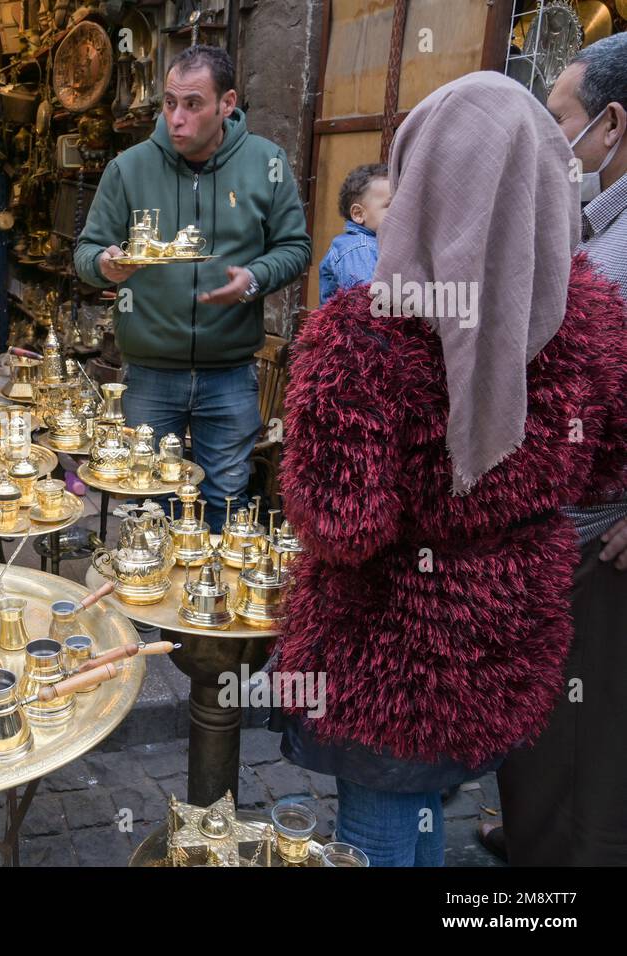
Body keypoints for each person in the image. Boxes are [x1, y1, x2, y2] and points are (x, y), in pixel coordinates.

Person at [273, 72, 627, 866]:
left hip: (384, 665)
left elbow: (343, 526)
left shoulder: (363, 338)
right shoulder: (594, 317)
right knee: (438, 806)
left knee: (385, 837)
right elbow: (605, 468)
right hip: (510, 640)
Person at [487, 34, 627, 866]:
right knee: (548, 714)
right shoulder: (596, 224)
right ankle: (535, 831)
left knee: (589, 734)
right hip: (562, 531)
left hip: (601, 537)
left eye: (559, 123)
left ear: (609, 126)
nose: (551, 144)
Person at [74, 45, 310, 531]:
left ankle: (212, 603)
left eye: (193, 104)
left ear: (227, 103)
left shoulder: (267, 162)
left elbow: (295, 247)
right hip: (149, 375)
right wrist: (104, 265)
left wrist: (255, 278)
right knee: (147, 507)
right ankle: (145, 603)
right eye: (169, 103)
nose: (177, 118)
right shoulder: (129, 168)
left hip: (230, 375)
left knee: (225, 502)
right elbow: (85, 252)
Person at [317, 163, 389, 305]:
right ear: (358, 214)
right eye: (391, 205)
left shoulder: (382, 243)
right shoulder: (359, 248)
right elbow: (369, 307)